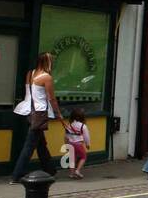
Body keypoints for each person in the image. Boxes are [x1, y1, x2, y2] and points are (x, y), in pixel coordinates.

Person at [11, 52, 62, 182]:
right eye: (52, 61)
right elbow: (51, 98)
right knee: (30, 145)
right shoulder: (46, 77)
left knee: (41, 144)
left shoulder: (30, 73)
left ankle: (50, 169)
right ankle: (17, 175)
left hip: (28, 111)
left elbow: (29, 93)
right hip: (39, 113)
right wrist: (58, 113)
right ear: (48, 62)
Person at [64, 108, 91, 179]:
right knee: (83, 157)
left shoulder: (69, 125)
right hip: (79, 145)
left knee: (72, 159)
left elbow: (66, 136)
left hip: (70, 144)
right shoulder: (83, 126)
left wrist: (66, 144)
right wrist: (87, 144)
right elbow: (86, 136)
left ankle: (72, 174)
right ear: (82, 117)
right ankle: (77, 170)